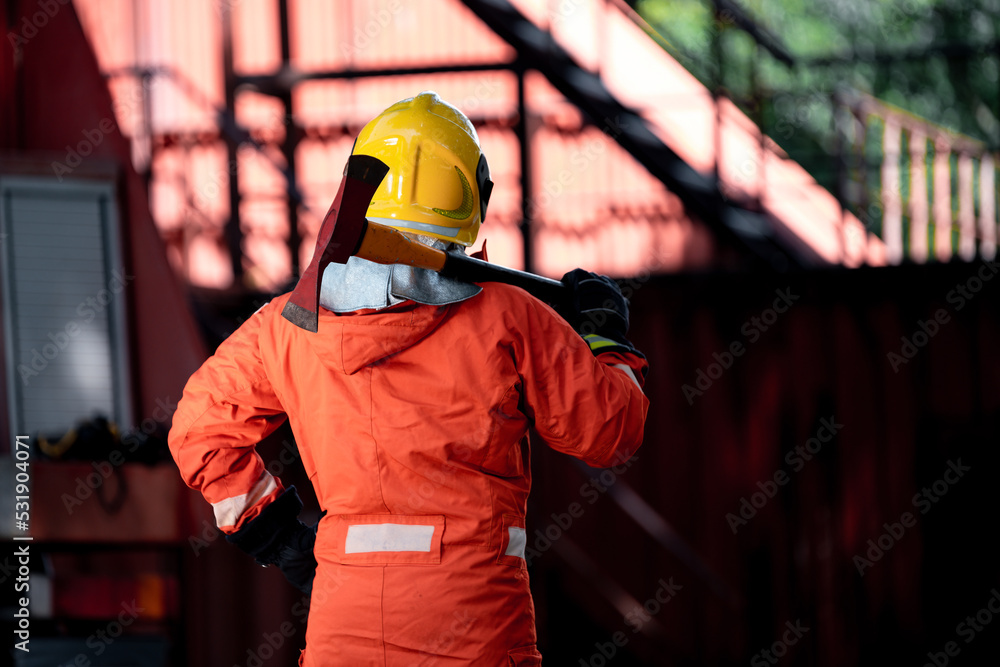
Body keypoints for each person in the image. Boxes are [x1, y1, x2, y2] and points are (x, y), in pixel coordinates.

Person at [168, 91, 649, 666]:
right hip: (474, 632)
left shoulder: (288, 326)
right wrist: (605, 339)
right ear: (471, 198)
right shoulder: (509, 317)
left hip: (343, 634)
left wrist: (277, 539)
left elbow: (198, 431)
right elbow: (609, 434)